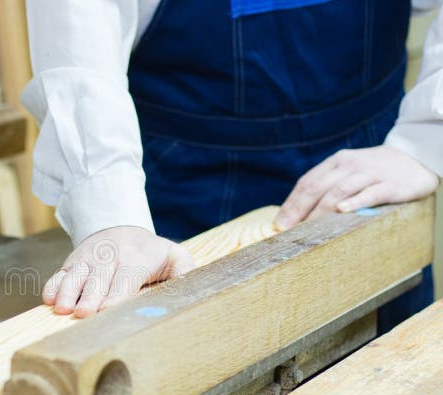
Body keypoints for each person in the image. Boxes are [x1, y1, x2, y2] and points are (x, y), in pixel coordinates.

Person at [22, 0, 442, 332]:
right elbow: (79, 40)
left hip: (370, 174)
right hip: (185, 192)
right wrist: (110, 213)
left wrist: (424, 140)